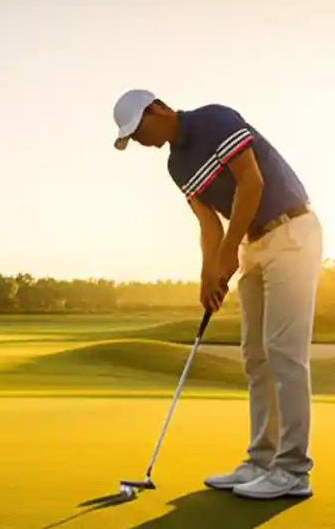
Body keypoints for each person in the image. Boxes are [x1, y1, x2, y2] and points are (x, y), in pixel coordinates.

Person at [111, 88, 323, 499]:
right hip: (254, 245)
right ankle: (262, 460)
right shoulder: (176, 165)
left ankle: (294, 470)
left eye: (138, 131)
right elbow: (210, 224)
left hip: (291, 232)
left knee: (284, 353)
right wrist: (209, 273)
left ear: (158, 109)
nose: (140, 141)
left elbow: (251, 183)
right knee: (256, 357)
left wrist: (229, 254)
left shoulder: (213, 119)